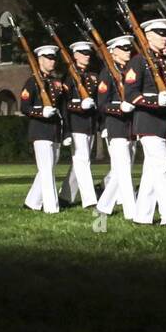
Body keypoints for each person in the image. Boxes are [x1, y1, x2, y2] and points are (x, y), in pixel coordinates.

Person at [129, 19, 166, 226]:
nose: (165, 37)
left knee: (152, 171)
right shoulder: (139, 61)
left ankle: (142, 216)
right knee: (162, 166)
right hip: (148, 122)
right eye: (160, 33)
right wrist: (154, 100)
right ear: (148, 36)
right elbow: (130, 94)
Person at [95, 34, 138, 219]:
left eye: (129, 48)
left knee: (122, 170)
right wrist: (118, 107)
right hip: (116, 125)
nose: (127, 51)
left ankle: (103, 206)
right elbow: (102, 103)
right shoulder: (107, 73)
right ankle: (132, 212)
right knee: (124, 168)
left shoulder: (130, 71)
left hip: (131, 126)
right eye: (123, 49)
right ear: (113, 52)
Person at [21, 46, 65, 213]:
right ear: (39, 60)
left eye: (53, 58)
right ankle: (51, 208)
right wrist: (40, 112)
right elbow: (24, 107)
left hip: (54, 130)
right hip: (40, 130)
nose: (52, 61)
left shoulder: (55, 82)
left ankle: (32, 202)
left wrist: (64, 132)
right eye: (48, 58)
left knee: (48, 168)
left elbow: (62, 108)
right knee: (46, 170)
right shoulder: (31, 82)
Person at [58, 41, 100, 208]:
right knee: (82, 160)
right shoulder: (68, 77)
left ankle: (66, 196)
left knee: (81, 161)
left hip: (89, 123)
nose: (87, 56)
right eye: (82, 53)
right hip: (75, 123)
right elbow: (63, 104)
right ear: (75, 56)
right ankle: (90, 200)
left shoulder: (92, 76)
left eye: (88, 53)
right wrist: (79, 106)